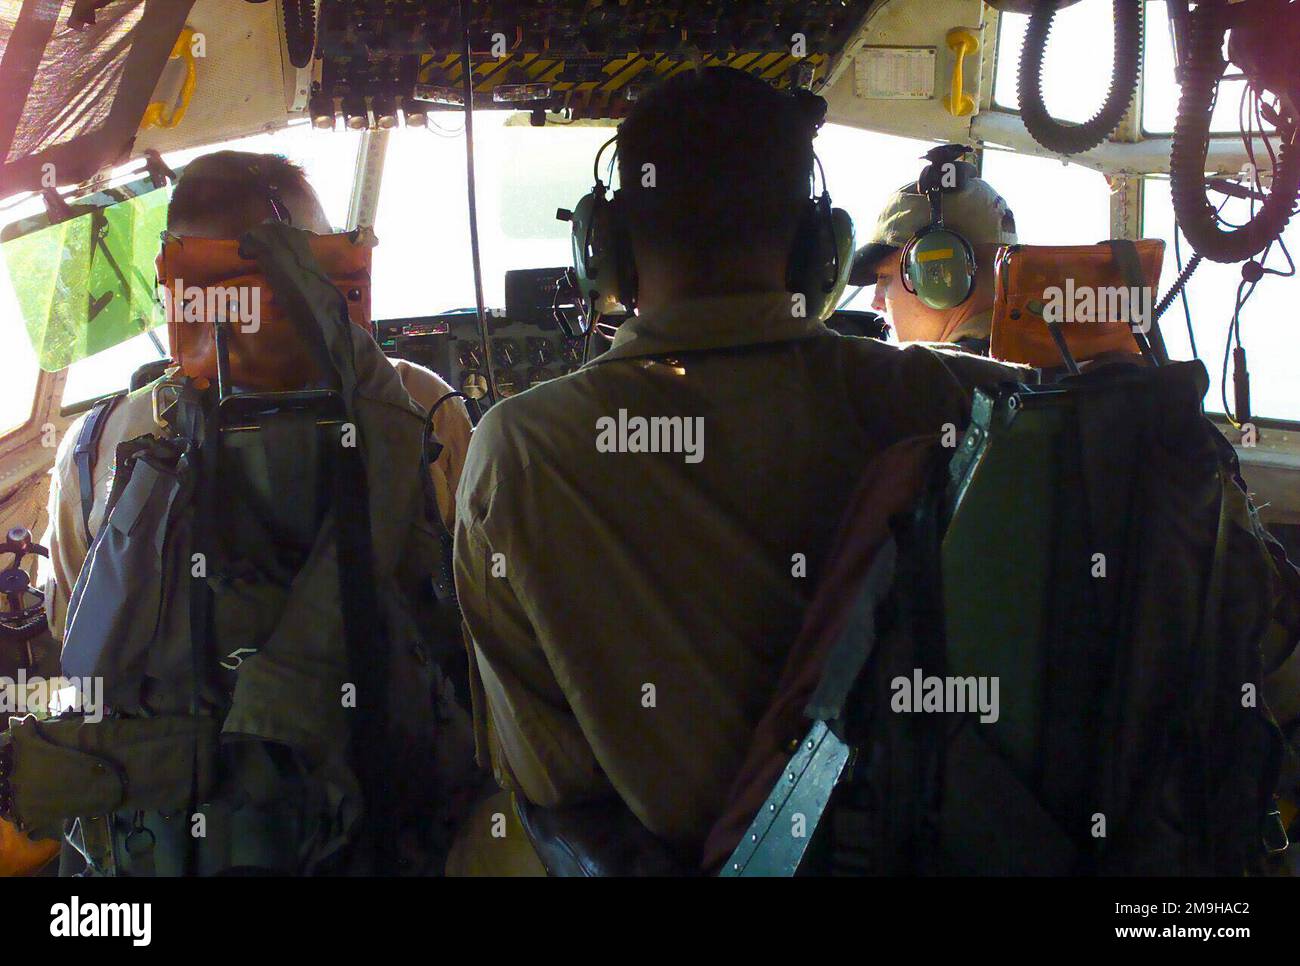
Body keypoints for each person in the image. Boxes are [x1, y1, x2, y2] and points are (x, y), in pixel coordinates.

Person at [452, 68, 1024, 869]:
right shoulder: (964, 399)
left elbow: (549, 781)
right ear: (819, 251)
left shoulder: (517, 449)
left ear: (603, 251)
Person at [41, 150, 472, 642]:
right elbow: (475, 600)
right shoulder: (421, 401)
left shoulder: (93, 442)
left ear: (172, 283)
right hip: (391, 712)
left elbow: (74, 628)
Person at [848, 152, 1017, 352]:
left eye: (884, 277)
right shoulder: (1046, 349)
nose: (876, 303)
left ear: (942, 270)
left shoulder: (928, 376)